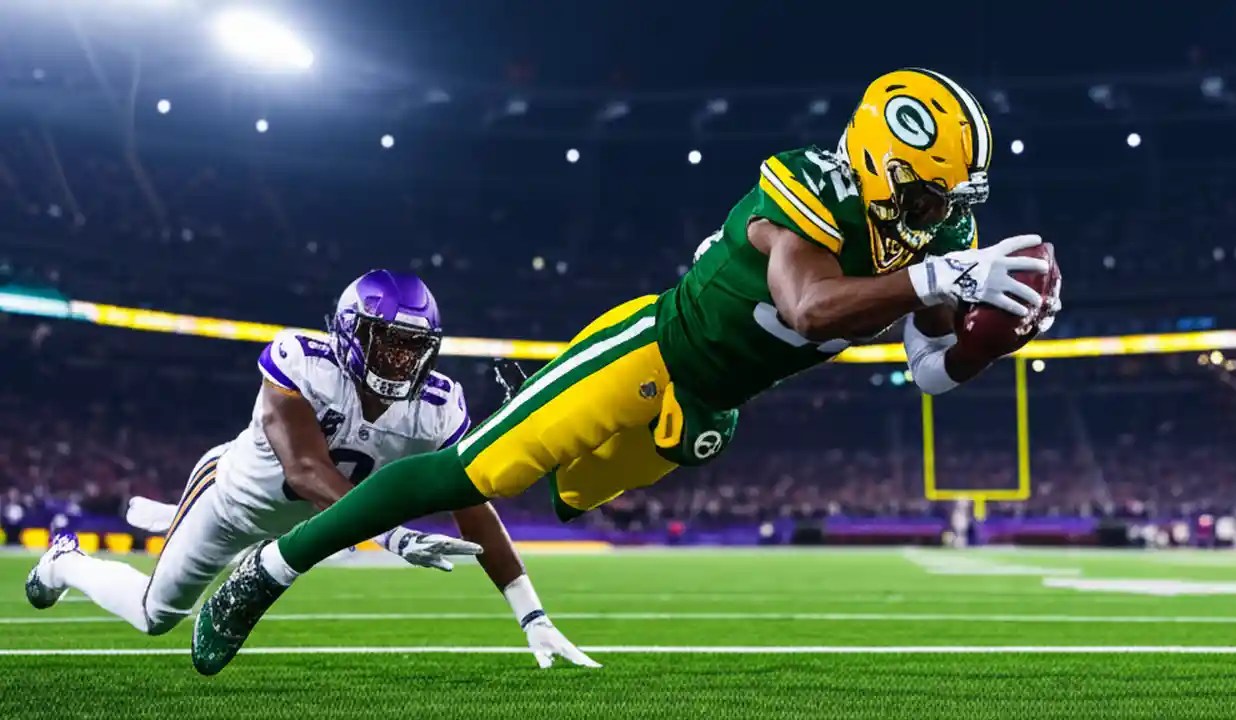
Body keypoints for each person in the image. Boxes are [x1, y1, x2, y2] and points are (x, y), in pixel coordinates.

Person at [192, 68, 1061, 674]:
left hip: (711, 409)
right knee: (476, 472)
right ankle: (265, 574)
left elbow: (928, 374)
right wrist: (944, 276)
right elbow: (806, 308)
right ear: (879, 163)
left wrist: (991, 338)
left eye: (951, 208)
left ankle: (531, 411)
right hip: (650, 351)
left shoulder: (936, 234)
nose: (940, 220)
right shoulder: (807, 184)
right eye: (926, 198)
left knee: (569, 497)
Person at [24, 270, 595, 669]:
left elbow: (475, 506)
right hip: (230, 502)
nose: (398, 359)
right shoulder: (302, 362)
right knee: (154, 617)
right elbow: (303, 471)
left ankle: (165, 522)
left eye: (411, 347)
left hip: (301, 524)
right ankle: (66, 562)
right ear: (348, 331)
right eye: (386, 342)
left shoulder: (438, 406)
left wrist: (532, 615)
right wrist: (392, 535)